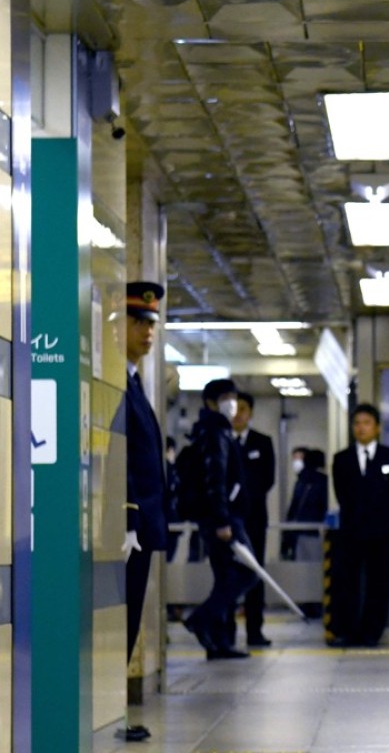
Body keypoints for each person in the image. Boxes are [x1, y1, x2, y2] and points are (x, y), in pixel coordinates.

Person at [117, 281, 170, 742]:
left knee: (131, 617)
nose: (147, 332)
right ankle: (112, 710)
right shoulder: (114, 382)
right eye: (138, 322)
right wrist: (130, 516)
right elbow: (120, 454)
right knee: (121, 618)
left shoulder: (133, 380)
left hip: (143, 525)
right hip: (127, 527)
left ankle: (115, 710)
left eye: (151, 324)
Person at [182, 378, 258, 660]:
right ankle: (201, 619)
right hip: (223, 519)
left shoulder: (212, 429)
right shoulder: (216, 431)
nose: (232, 403)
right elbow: (216, 479)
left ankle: (219, 642)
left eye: (234, 397)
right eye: (226, 397)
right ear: (210, 402)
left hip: (217, 516)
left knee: (225, 578)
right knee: (247, 573)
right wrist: (223, 520)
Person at [330, 404, 389, 647]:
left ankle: (372, 632)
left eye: (366, 423)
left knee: (378, 584)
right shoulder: (341, 459)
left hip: (381, 532)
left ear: (377, 428)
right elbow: (342, 495)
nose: (361, 428)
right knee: (347, 583)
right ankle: (347, 632)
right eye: (357, 423)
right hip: (351, 532)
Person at [228, 392, 276, 647]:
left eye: (243, 408)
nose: (238, 414)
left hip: (255, 519)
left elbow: (267, 479)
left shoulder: (262, 442)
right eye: (234, 408)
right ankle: (226, 632)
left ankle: (255, 630)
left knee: (255, 574)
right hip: (227, 520)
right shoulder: (223, 439)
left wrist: (244, 499)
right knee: (227, 574)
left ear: (251, 413)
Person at [284, 447, 328, 562]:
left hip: (303, 531)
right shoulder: (322, 481)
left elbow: (293, 510)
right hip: (312, 532)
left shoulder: (303, 481)